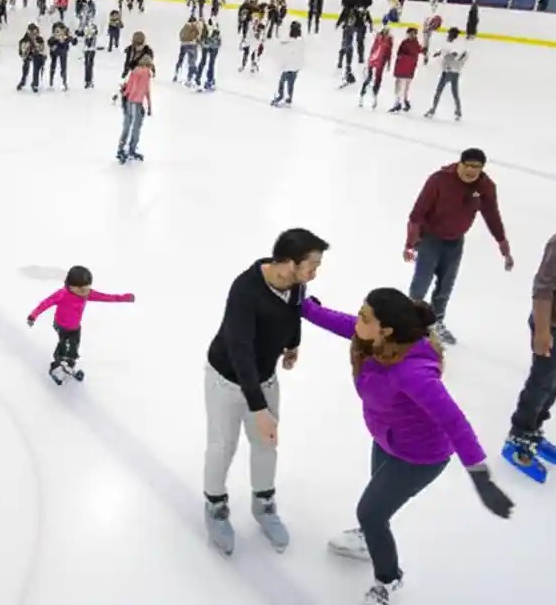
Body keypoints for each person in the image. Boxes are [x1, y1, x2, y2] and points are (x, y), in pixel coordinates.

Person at [300, 290, 512, 604]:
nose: (357, 319)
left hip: (420, 456)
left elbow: (455, 422)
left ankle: (389, 579)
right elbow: (339, 322)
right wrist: (302, 305)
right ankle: (369, 537)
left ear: (386, 330)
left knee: (370, 512)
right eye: (361, 311)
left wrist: (482, 479)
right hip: (388, 437)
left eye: (365, 316)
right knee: (376, 506)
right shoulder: (370, 340)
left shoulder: (412, 372)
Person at [204, 228, 329, 556]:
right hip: (227, 380)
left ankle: (264, 504)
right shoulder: (245, 291)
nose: (315, 272)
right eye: (312, 265)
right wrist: (258, 409)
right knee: (222, 446)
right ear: (289, 263)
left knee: (267, 443)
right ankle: (215, 506)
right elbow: (240, 351)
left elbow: (295, 312)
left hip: (265, 378)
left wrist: (292, 344)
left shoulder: (297, 285)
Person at [404, 148, 512, 345]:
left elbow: (492, 214)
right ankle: (410, 321)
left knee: (446, 285)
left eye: (476, 167)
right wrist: (411, 243)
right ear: (460, 164)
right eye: (468, 166)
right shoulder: (439, 180)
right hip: (430, 239)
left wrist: (502, 243)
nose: (471, 171)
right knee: (421, 282)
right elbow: (417, 213)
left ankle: (436, 322)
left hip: (455, 242)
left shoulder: (484, 186)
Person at [503, 218, 556, 482]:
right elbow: (543, 289)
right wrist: (543, 332)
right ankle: (519, 435)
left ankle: (534, 427)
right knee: (542, 383)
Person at [27, 266, 134, 384]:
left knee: (74, 347)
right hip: (61, 326)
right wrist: (33, 315)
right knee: (64, 345)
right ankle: (56, 365)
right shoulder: (62, 294)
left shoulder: (87, 294)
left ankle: (69, 364)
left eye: (87, 288)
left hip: (75, 327)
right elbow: (45, 304)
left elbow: (107, 297)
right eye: (82, 290)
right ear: (71, 286)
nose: (85, 292)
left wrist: (125, 298)